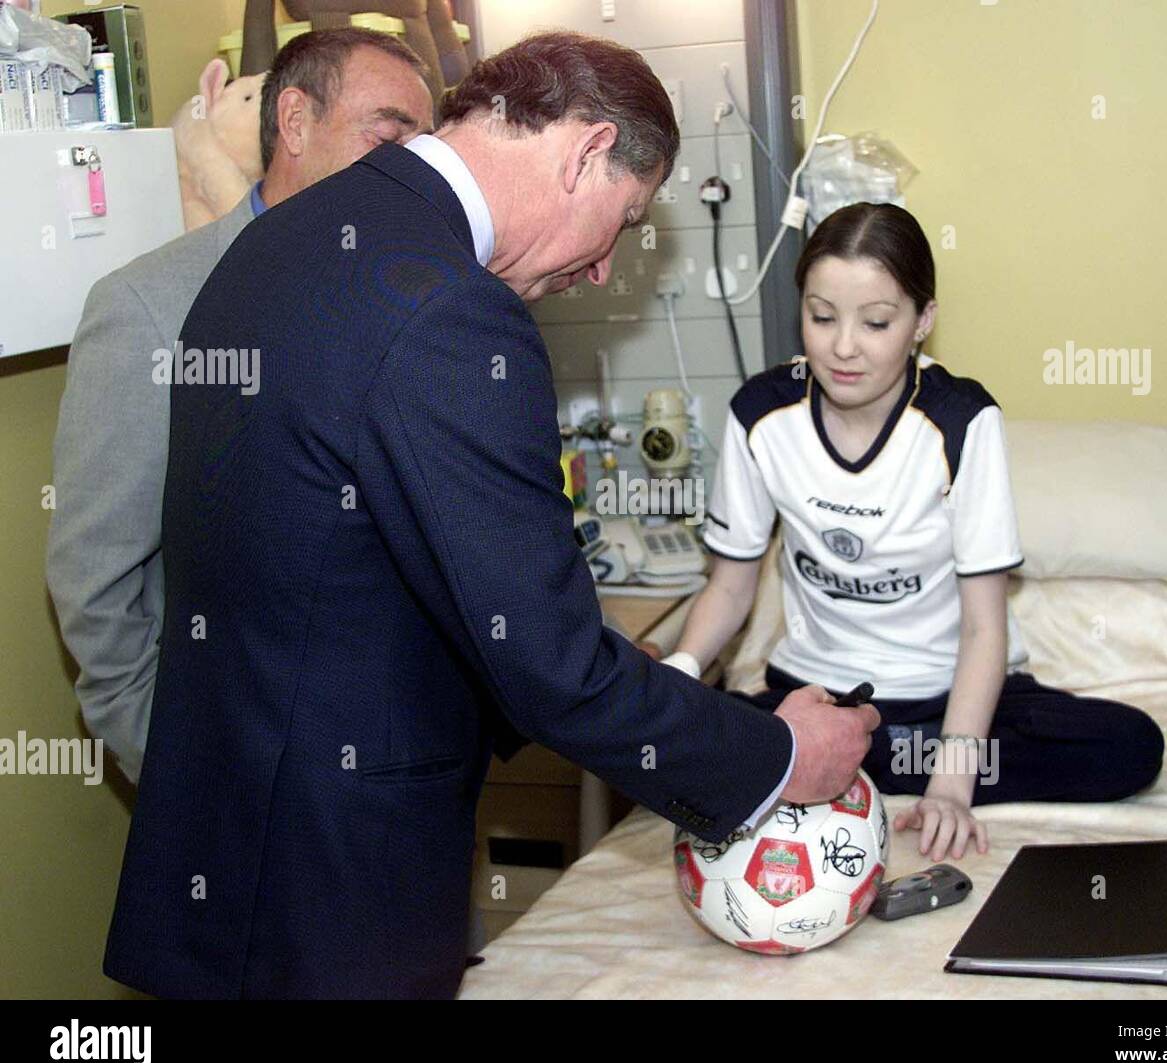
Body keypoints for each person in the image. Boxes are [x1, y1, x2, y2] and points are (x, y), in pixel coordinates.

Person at [100, 31, 877, 1000]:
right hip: (331, 887)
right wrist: (780, 754)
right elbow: (552, 669)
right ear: (587, 152)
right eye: (626, 221)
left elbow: (355, 574)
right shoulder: (450, 312)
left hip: (228, 848)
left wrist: (601, 667)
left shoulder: (283, 239)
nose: (600, 272)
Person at [671, 202, 1165, 865]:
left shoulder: (962, 421)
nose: (844, 345)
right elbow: (730, 591)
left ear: (922, 322)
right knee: (669, 757)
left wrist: (953, 782)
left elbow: (985, 627)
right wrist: (675, 678)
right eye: (822, 317)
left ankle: (831, 769)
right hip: (817, 699)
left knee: (1130, 747)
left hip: (946, 702)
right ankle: (813, 756)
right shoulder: (761, 413)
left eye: (876, 322)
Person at [47, 28, 436, 784]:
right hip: (242, 787)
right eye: (388, 136)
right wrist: (192, 770)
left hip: (404, 775)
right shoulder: (151, 308)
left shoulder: (415, 293)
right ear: (294, 122)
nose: (411, 168)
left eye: (423, 146)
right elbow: (95, 586)